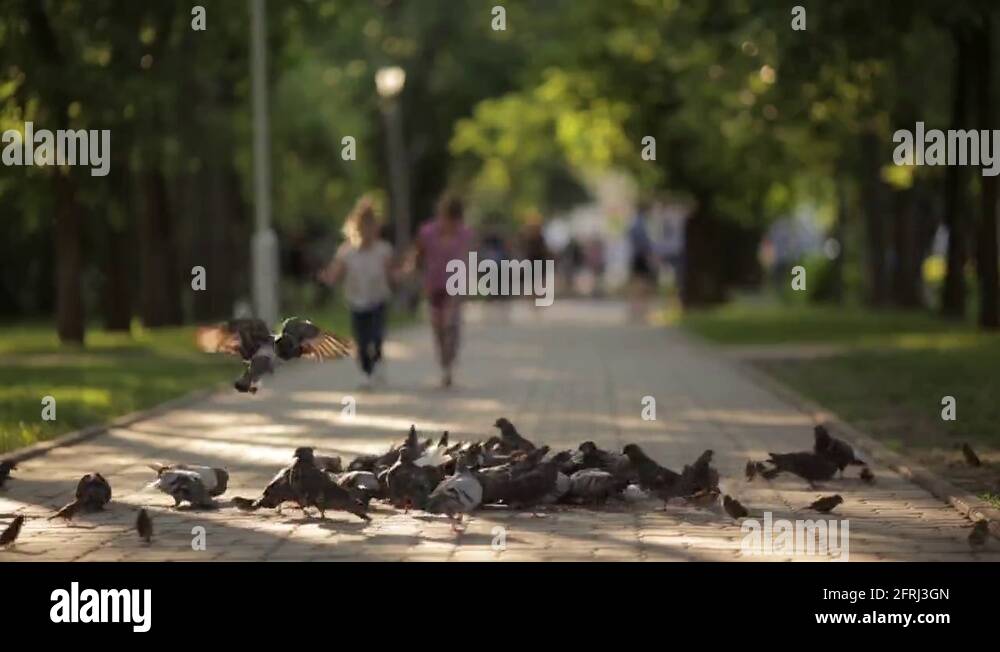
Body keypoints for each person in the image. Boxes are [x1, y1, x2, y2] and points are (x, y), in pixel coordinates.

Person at [319, 197, 394, 388]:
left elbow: (391, 273)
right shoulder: (346, 252)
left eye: (371, 227)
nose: (367, 232)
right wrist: (328, 277)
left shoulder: (383, 250)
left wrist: (400, 276)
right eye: (364, 227)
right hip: (356, 302)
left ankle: (377, 362)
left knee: (376, 336)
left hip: (378, 299)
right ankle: (366, 372)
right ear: (356, 228)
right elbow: (336, 272)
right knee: (361, 340)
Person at [413, 194, 473, 388]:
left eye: (453, 220)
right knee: (438, 327)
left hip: (455, 286)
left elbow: (469, 257)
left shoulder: (465, 233)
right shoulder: (427, 232)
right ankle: (444, 363)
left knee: (451, 324)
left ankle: (450, 361)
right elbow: (419, 255)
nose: (449, 223)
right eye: (446, 217)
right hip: (434, 285)